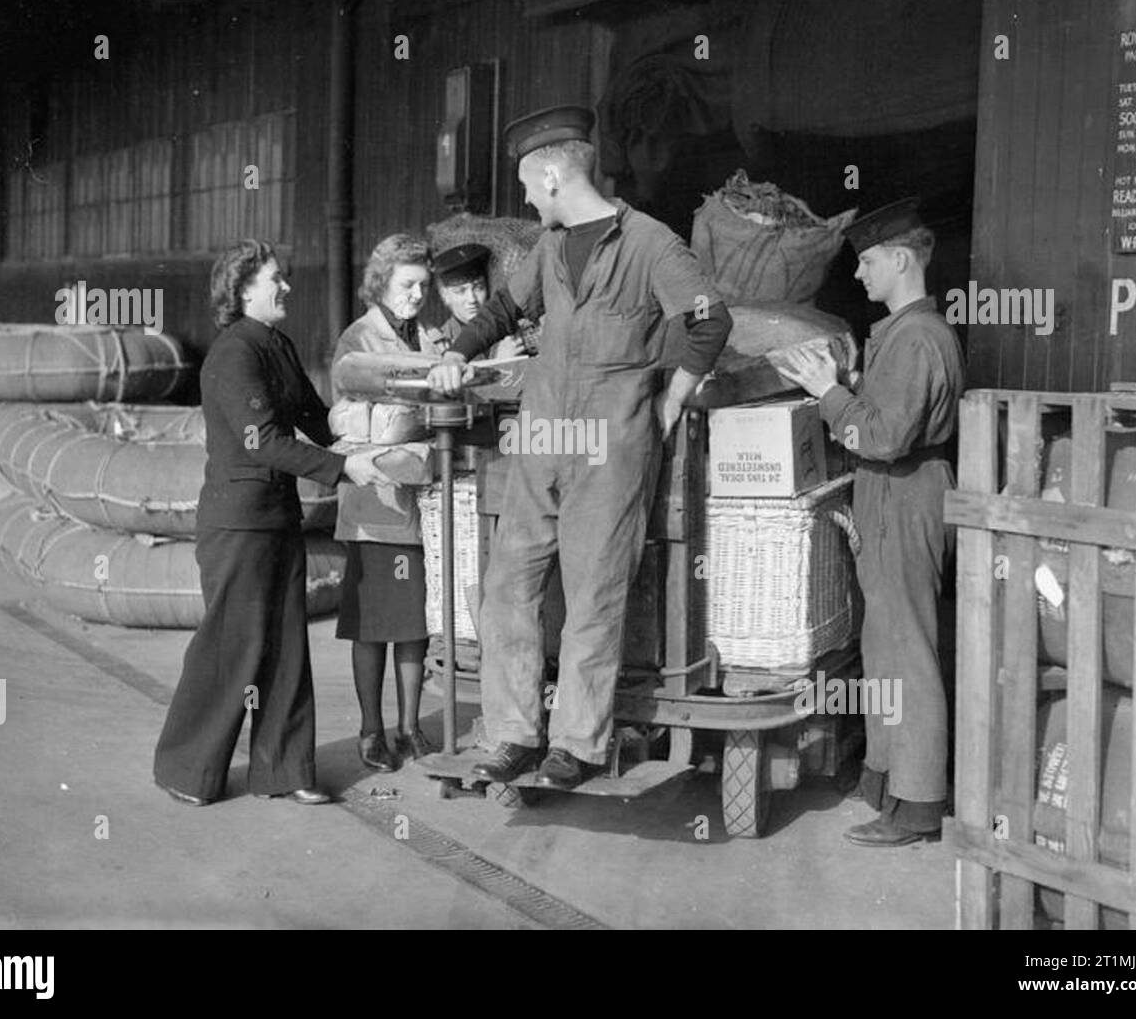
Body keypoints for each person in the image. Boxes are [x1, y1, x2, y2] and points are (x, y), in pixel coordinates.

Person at [427, 105, 732, 790]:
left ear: (557, 174)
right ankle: (511, 733)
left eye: (530, 187)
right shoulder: (548, 246)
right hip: (541, 436)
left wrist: (672, 396)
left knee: (594, 590)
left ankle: (576, 741)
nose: (528, 200)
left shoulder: (652, 243)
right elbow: (504, 310)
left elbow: (710, 321)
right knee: (509, 583)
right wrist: (457, 349)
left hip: (610, 444)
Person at [153, 239, 391, 806]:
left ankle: (286, 770)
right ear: (242, 290)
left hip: (275, 518)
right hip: (237, 524)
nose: (286, 286)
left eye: (284, 276)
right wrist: (345, 469)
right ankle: (185, 769)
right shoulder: (235, 354)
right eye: (275, 278)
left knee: (286, 646)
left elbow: (315, 417)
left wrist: (369, 438)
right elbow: (265, 443)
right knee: (234, 646)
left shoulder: (276, 345)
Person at [778, 197, 965, 847]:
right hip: (890, 497)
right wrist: (847, 380)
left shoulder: (919, 336)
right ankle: (887, 779)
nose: (858, 274)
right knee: (885, 647)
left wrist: (829, 392)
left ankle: (917, 804)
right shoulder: (903, 333)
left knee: (907, 652)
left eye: (867, 261)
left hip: (906, 495)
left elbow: (883, 436)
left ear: (902, 259)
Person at [329, 233, 439, 772]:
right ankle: (371, 730)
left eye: (424, 284)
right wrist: (405, 417)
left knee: (413, 621)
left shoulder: (435, 336)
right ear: (381, 284)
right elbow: (353, 417)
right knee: (372, 623)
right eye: (407, 284)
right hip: (374, 505)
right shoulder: (358, 340)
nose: (417, 294)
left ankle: (410, 725)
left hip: (419, 505)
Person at [422, 243, 526, 359]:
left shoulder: (509, 326)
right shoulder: (441, 344)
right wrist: (498, 362)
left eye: (478, 287)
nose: (472, 299)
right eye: (460, 291)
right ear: (445, 296)